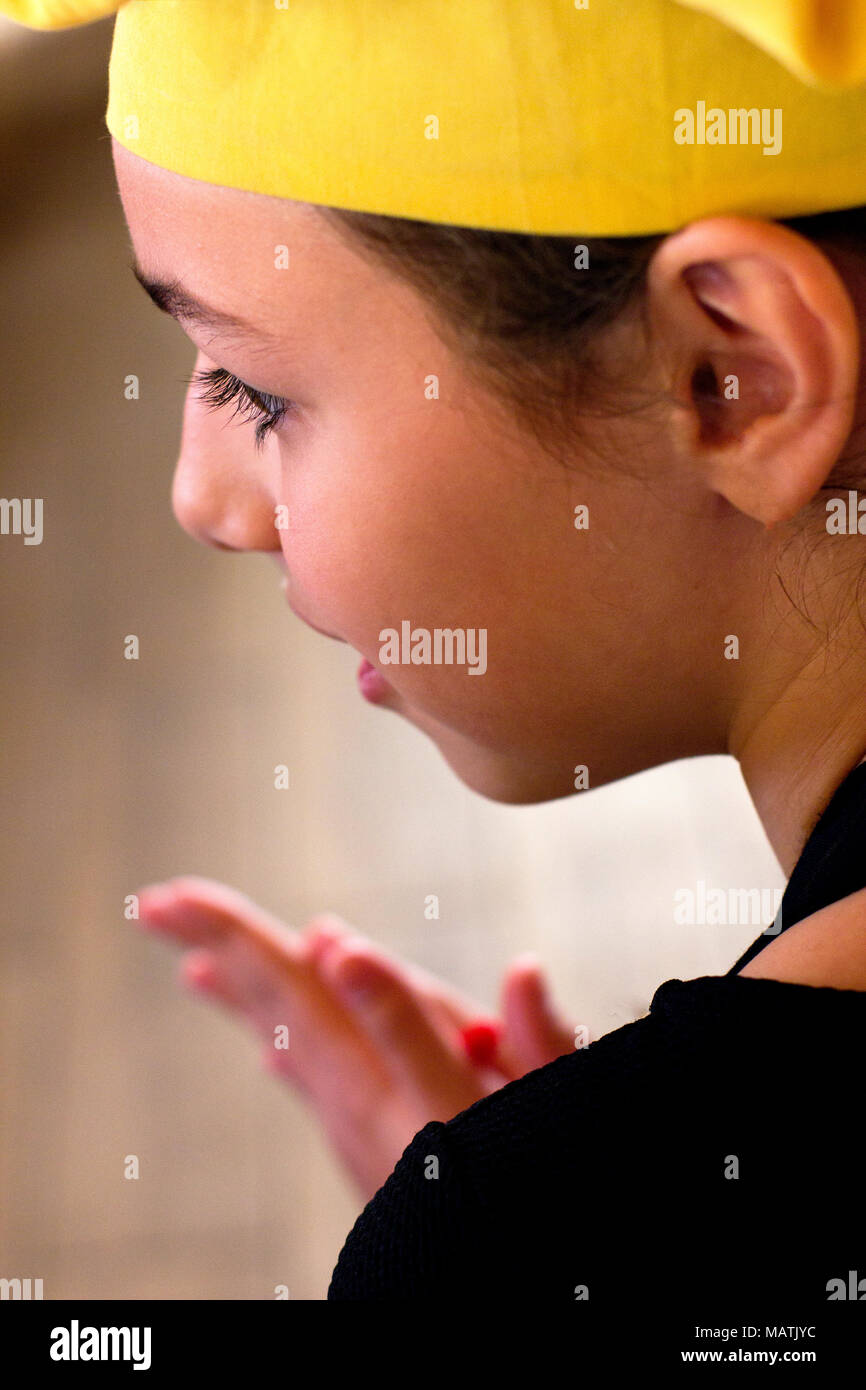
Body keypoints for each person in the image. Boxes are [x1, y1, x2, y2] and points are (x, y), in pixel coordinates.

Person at [6, 0, 866, 1310]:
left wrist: (526, 1249)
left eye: (253, 389)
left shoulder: (513, 1247)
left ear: (731, 373)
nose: (203, 498)